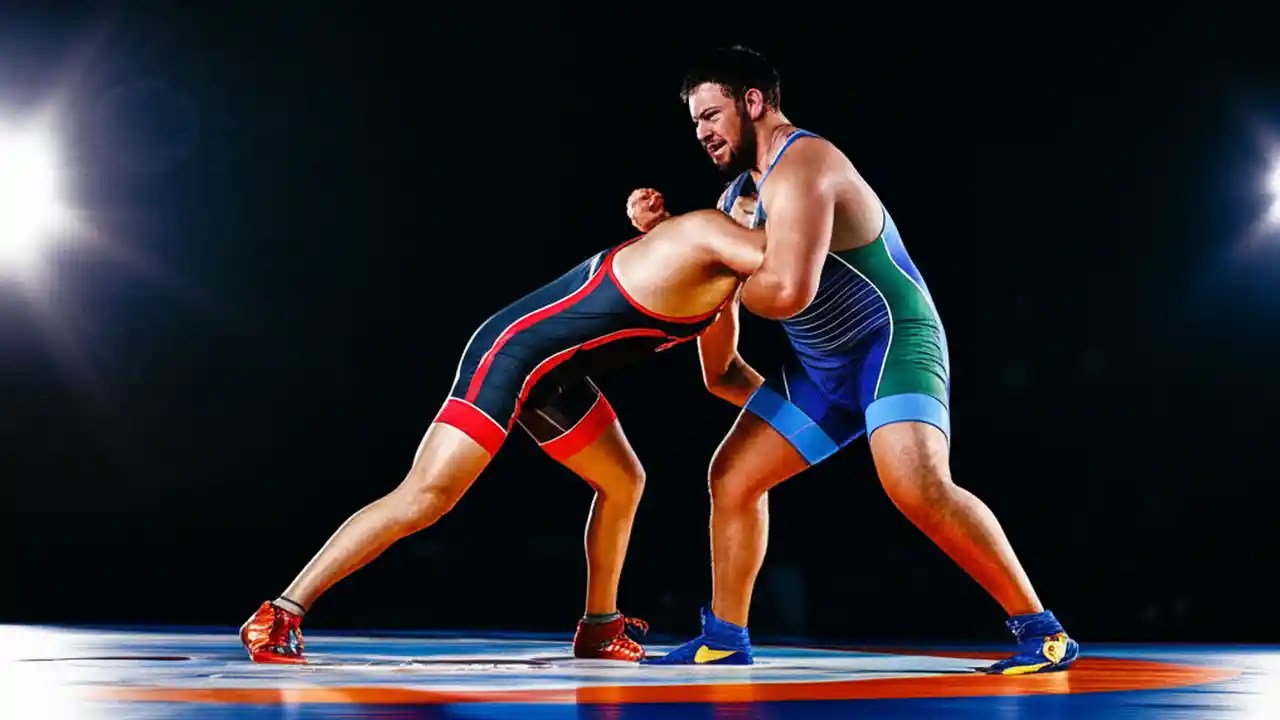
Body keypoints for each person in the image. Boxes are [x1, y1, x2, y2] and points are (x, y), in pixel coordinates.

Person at [634, 46, 1079, 674]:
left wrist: (707, 258)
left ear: (753, 101)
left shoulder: (806, 163)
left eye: (711, 114)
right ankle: (725, 636)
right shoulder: (737, 198)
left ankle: (1044, 632)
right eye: (696, 121)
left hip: (889, 342)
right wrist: (680, 246)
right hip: (822, 371)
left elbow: (788, 291)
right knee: (732, 477)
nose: (702, 132)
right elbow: (720, 368)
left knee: (916, 486)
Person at [239, 206, 765, 664]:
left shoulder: (723, 290)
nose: (761, 227)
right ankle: (278, 614)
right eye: (757, 213)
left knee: (625, 482)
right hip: (511, 354)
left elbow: (724, 375)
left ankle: (600, 627)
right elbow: (784, 257)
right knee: (425, 495)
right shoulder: (704, 231)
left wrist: (791, 415)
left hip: (556, 378)